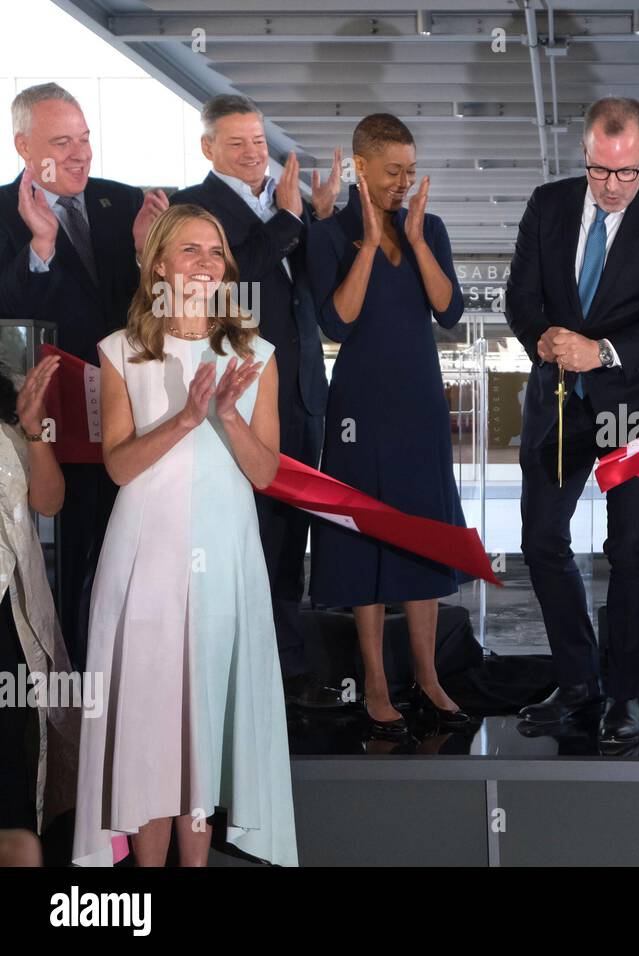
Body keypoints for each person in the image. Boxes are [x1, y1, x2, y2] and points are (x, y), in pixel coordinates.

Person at [73, 205, 296, 866]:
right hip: (144, 561)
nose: (206, 262)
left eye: (216, 251)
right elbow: (118, 465)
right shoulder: (121, 352)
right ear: (161, 264)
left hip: (224, 560)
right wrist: (184, 418)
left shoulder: (255, 355)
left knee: (203, 727)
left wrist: (225, 414)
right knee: (147, 733)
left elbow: (265, 476)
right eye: (191, 250)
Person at [505, 97, 639, 746]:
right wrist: (547, 340)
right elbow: (518, 298)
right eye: (600, 171)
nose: (613, 187)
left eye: (627, 173)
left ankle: (624, 697)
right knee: (541, 543)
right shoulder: (547, 204)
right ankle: (579, 682)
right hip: (557, 402)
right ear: (584, 154)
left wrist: (604, 351)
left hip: (634, 407)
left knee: (629, 550)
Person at [171, 93, 342, 709]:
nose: (252, 154)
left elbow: (312, 295)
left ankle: (285, 665)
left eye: (259, 142)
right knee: (245, 532)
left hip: (298, 391)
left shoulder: (281, 204)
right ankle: (244, 669)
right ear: (208, 148)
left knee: (289, 532)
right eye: (237, 143)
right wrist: (293, 223)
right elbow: (227, 277)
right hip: (235, 396)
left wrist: (315, 220)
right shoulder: (196, 208)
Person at [307, 113, 470, 739]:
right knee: (366, 537)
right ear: (361, 168)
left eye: (409, 170)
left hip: (420, 403)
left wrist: (417, 240)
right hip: (359, 408)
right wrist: (372, 245)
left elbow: (450, 309)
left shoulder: (428, 227)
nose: (404, 181)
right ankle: (376, 682)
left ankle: (428, 679)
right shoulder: (331, 232)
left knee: (423, 534)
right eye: (393, 171)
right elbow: (337, 323)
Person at [0, 83, 168, 671]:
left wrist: (153, 257)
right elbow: (8, 323)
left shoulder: (125, 205)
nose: (80, 154)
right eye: (61, 142)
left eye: (86, 139)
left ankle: (131, 682)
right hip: (48, 433)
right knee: (64, 576)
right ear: (23, 145)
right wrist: (40, 249)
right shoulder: (1, 213)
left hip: (132, 423)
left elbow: (161, 313)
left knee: (133, 564)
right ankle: (69, 704)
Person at [0, 355, 78, 836]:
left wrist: (32, 427)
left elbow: (49, 500)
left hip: (8, 608)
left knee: (10, 756)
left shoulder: (12, 392)